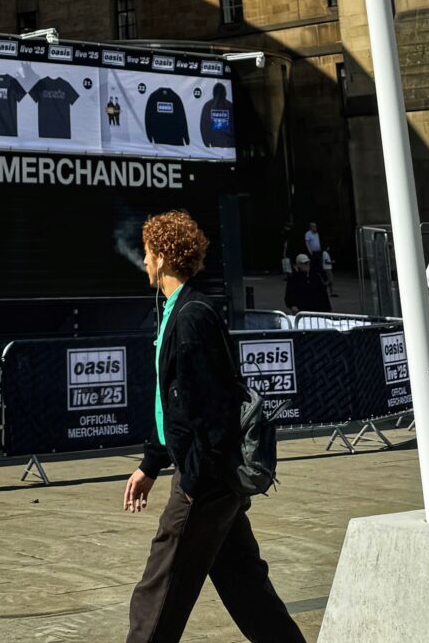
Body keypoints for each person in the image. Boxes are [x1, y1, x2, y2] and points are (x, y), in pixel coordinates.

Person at [123, 209, 305, 643]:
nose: (144, 261)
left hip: (203, 482)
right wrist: (150, 464)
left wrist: (195, 482)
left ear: (164, 256)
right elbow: (173, 404)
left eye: (148, 253)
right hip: (210, 477)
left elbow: (213, 408)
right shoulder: (174, 312)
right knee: (247, 589)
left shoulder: (192, 316)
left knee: (157, 596)